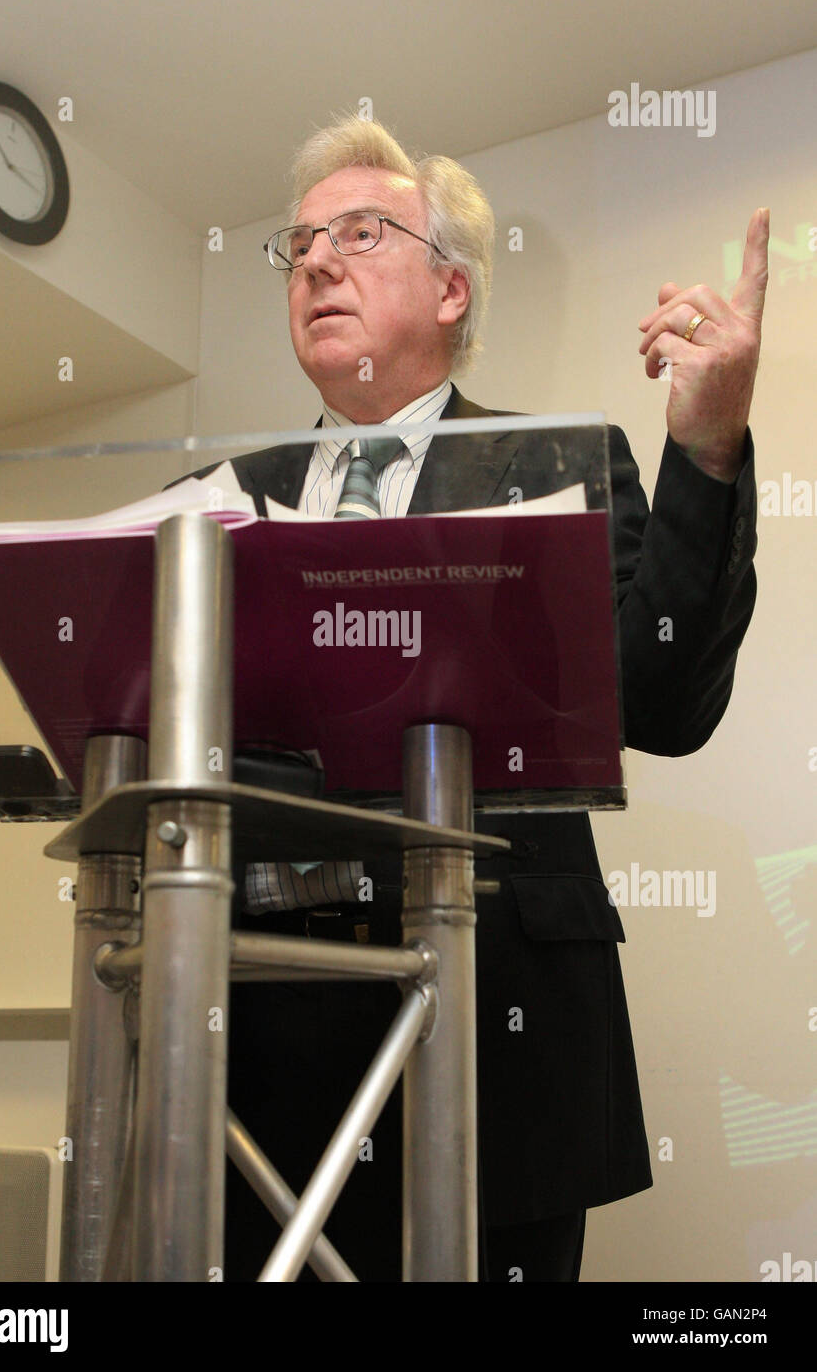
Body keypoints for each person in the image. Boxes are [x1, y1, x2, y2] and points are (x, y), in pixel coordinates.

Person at [168, 116, 765, 1281]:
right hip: (262, 1061)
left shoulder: (562, 462)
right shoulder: (216, 499)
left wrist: (707, 449)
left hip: (507, 1039)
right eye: (298, 244)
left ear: (452, 288)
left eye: (359, 232)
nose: (317, 262)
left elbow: (665, 697)